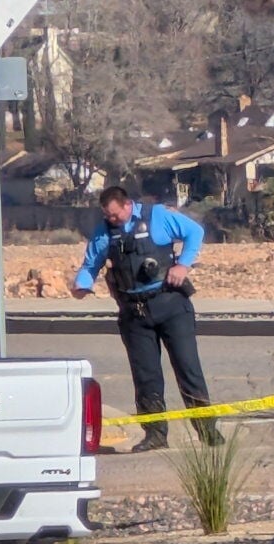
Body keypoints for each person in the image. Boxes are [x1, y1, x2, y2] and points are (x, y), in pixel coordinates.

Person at [72, 186, 225, 452]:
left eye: (115, 215)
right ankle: (155, 434)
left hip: (170, 304)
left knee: (188, 369)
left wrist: (183, 264)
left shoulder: (158, 217)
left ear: (127, 205)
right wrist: (82, 284)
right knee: (146, 377)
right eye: (107, 216)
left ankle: (207, 430)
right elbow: (91, 264)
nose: (111, 219)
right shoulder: (104, 232)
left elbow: (195, 232)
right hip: (134, 314)